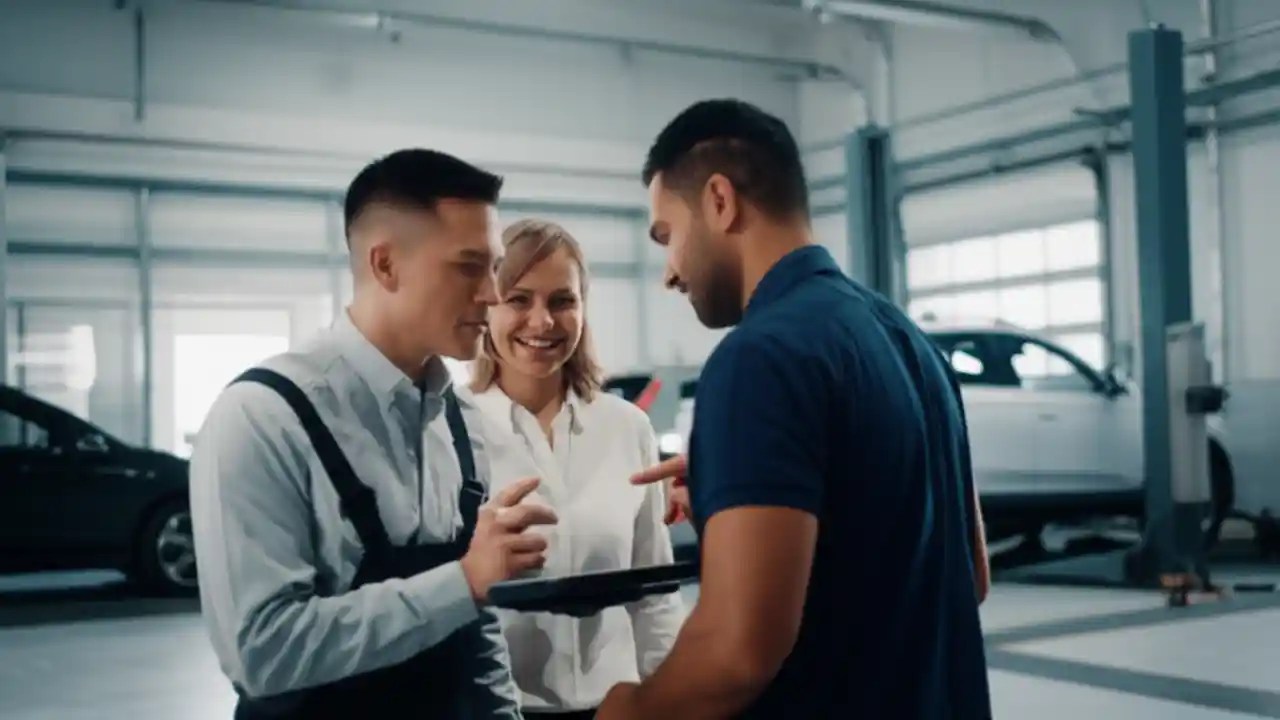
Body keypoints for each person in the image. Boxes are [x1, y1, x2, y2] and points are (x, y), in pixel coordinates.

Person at [596, 99, 994, 720]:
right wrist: (741, 507)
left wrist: (631, 710)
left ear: (719, 201)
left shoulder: (760, 357)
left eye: (667, 236)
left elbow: (734, 654)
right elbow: (969, 577)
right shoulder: (914, 346)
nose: (669, 273)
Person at [189, 148, 558, 719]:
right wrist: (461, 582)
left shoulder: (460, 423)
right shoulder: (263, 419)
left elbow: (475, 631)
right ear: (385, 264)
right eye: (468, 266)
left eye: (493, 266)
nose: (491, 293)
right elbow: (263, 654)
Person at [464, 219, 685, 719]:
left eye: (562, 301)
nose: (542, 322)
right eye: (519, 299)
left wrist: (671, 700)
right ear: (487, 306)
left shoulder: (627, 427)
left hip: (615, 708)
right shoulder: (448, 429)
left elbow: (655, 598)